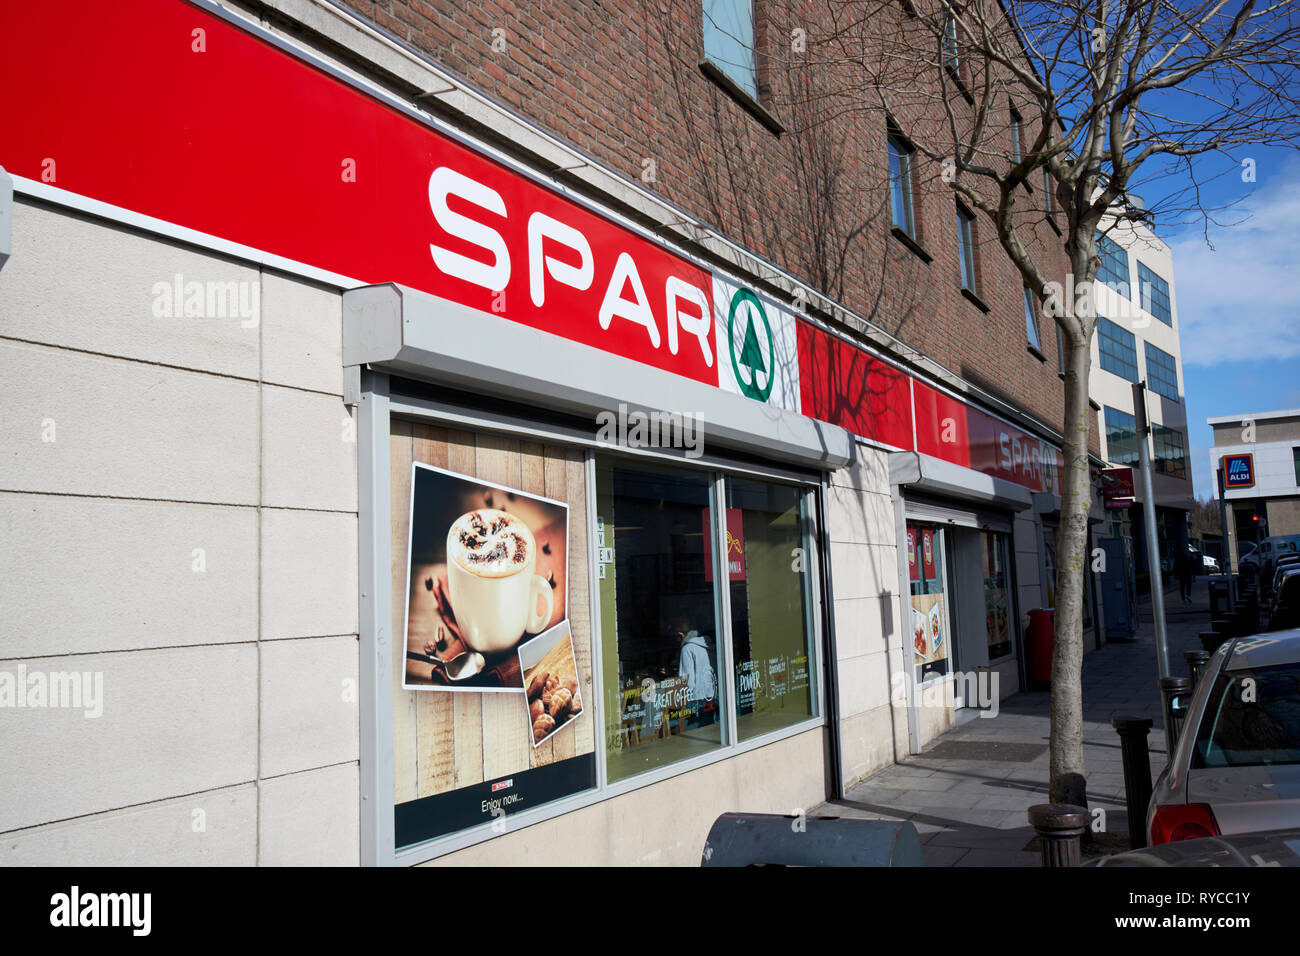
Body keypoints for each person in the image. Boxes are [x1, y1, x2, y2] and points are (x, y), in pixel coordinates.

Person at [669, 616, 716, 728]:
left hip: (696, 700)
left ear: (681, 635)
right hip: (712, 696)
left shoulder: (687, 649)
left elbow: (686, 681)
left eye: (676, 638)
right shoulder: (707, 644)